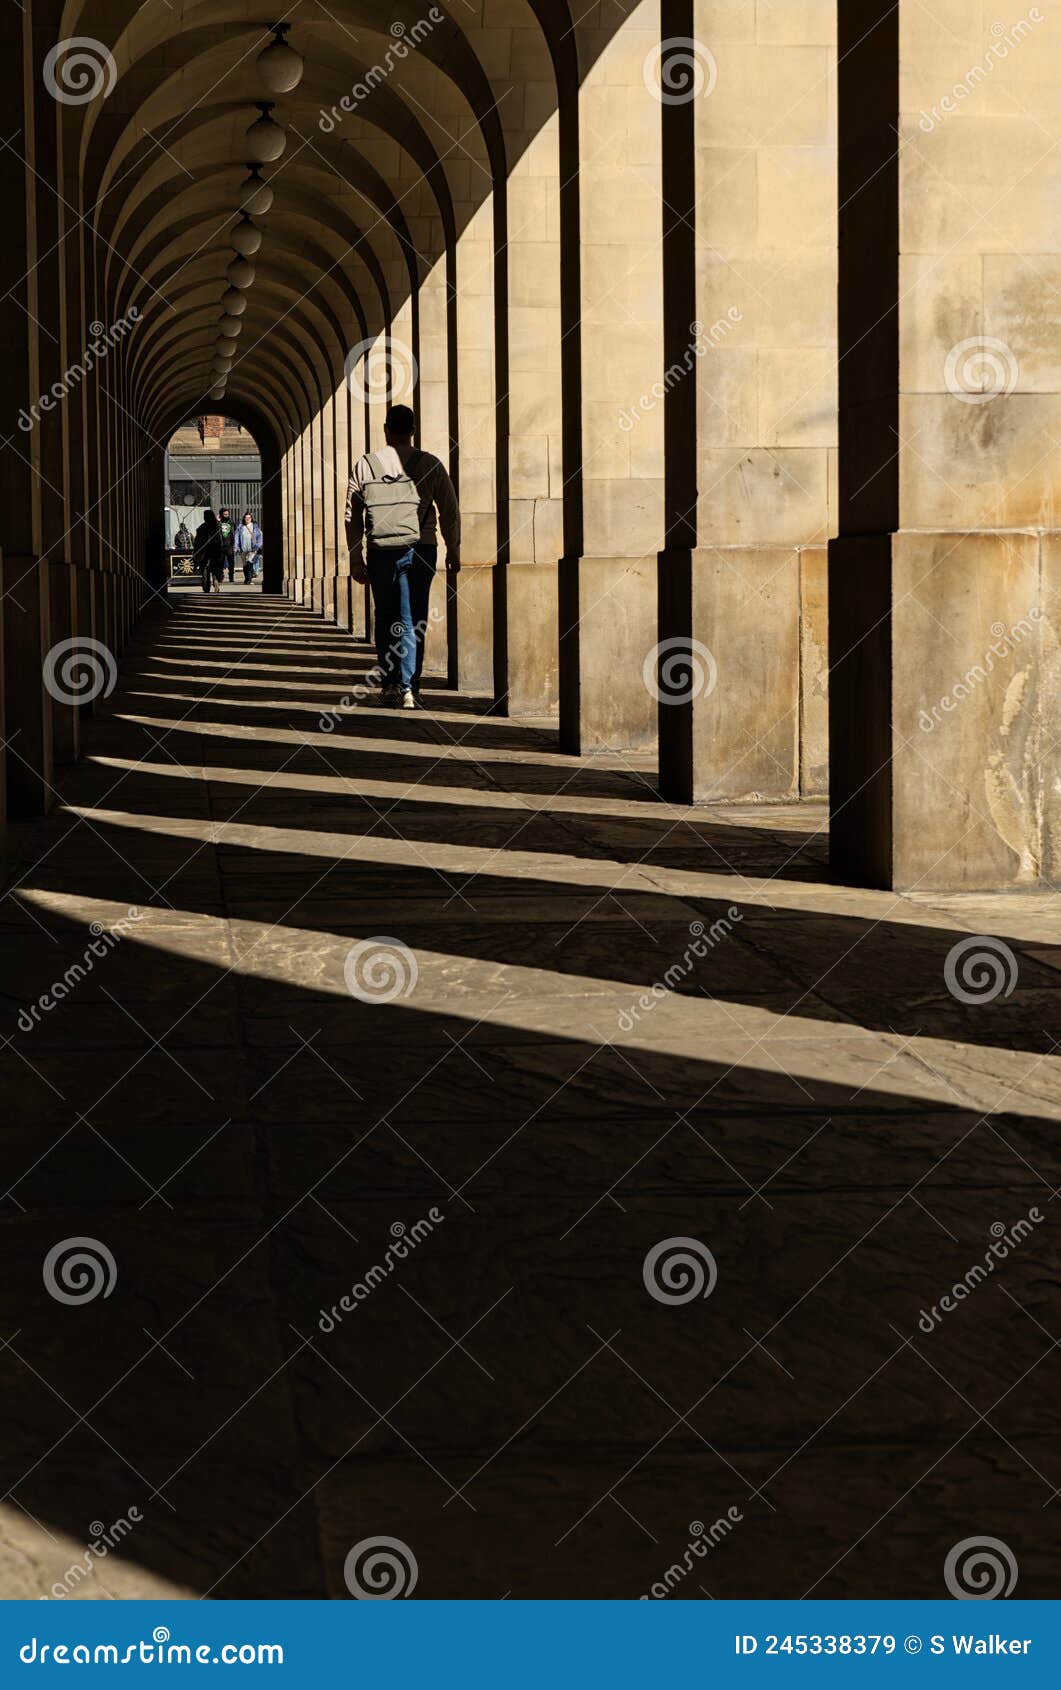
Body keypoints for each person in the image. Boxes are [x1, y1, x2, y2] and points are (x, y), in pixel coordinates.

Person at [344, 403, 460, 709]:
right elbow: (449, 511)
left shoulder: (366, 465)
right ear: (413, 430)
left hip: (381, 550)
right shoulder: (430, 464)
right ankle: (410, 687)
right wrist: (454, 549)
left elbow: (352, 515)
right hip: (421, 548)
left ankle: (389, 685)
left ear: (386, 430)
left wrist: (356, 558)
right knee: (413, 619)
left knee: (386, 617)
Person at [193, 509, 225, 593]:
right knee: (215, 568)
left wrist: (196, 551)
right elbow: (221, 540)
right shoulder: (217, 526)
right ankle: (215, 580)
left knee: (205, 568)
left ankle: (206, 585)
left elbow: (197, 541)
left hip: (204, 552)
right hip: (216, 551)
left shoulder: (201, 528)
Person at [236, 510, 263, 584]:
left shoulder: (255, 527)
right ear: (244, 518)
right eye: (246, 518)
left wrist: (257, 546)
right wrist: (236, 547)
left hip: (252, 548)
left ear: (251, 518)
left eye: (249, 518)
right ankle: (246, 579)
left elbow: (260, 536)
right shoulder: (240, 527)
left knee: (249, 562)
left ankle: (249, 579)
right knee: (245, 564)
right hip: (243, 548)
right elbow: (236, 537)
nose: (247, 519)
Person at [217, 508, 236, 583]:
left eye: (227, 514)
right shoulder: (218, 523)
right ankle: (220, 577)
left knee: (231, 563)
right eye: (225, 514)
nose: (226, 515)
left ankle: (231, 577)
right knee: (220, 562)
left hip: (229, 546)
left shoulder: (231, 523)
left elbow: (234, 533)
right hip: (220, 546)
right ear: (221, 514)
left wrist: (234, 544)